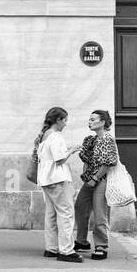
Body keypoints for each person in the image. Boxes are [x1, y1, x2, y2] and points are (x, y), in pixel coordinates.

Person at [33, 106, 81, 262]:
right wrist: (71, 150)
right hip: (58, 179)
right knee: (66, 214)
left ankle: (51, 248)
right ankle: (66, 250)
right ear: (58, 120)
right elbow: (59, 159)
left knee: (51, 214)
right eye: (65, 120)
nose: (66, 124)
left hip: (46, 180)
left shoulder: (44, 136)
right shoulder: (56, 136)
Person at [73, 109, 118, 260]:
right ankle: (82, 241)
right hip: (89, 180)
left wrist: (95, 178)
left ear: (103, 122)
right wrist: (86, 177)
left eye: (93, 119)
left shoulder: (107, 139)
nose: (89, 122)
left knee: (100, 213)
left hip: (102, 180)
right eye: (89, 119)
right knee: (80, 207)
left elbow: (108, 163)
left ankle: (101, 245)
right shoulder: (90, 140)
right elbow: (86, 160)